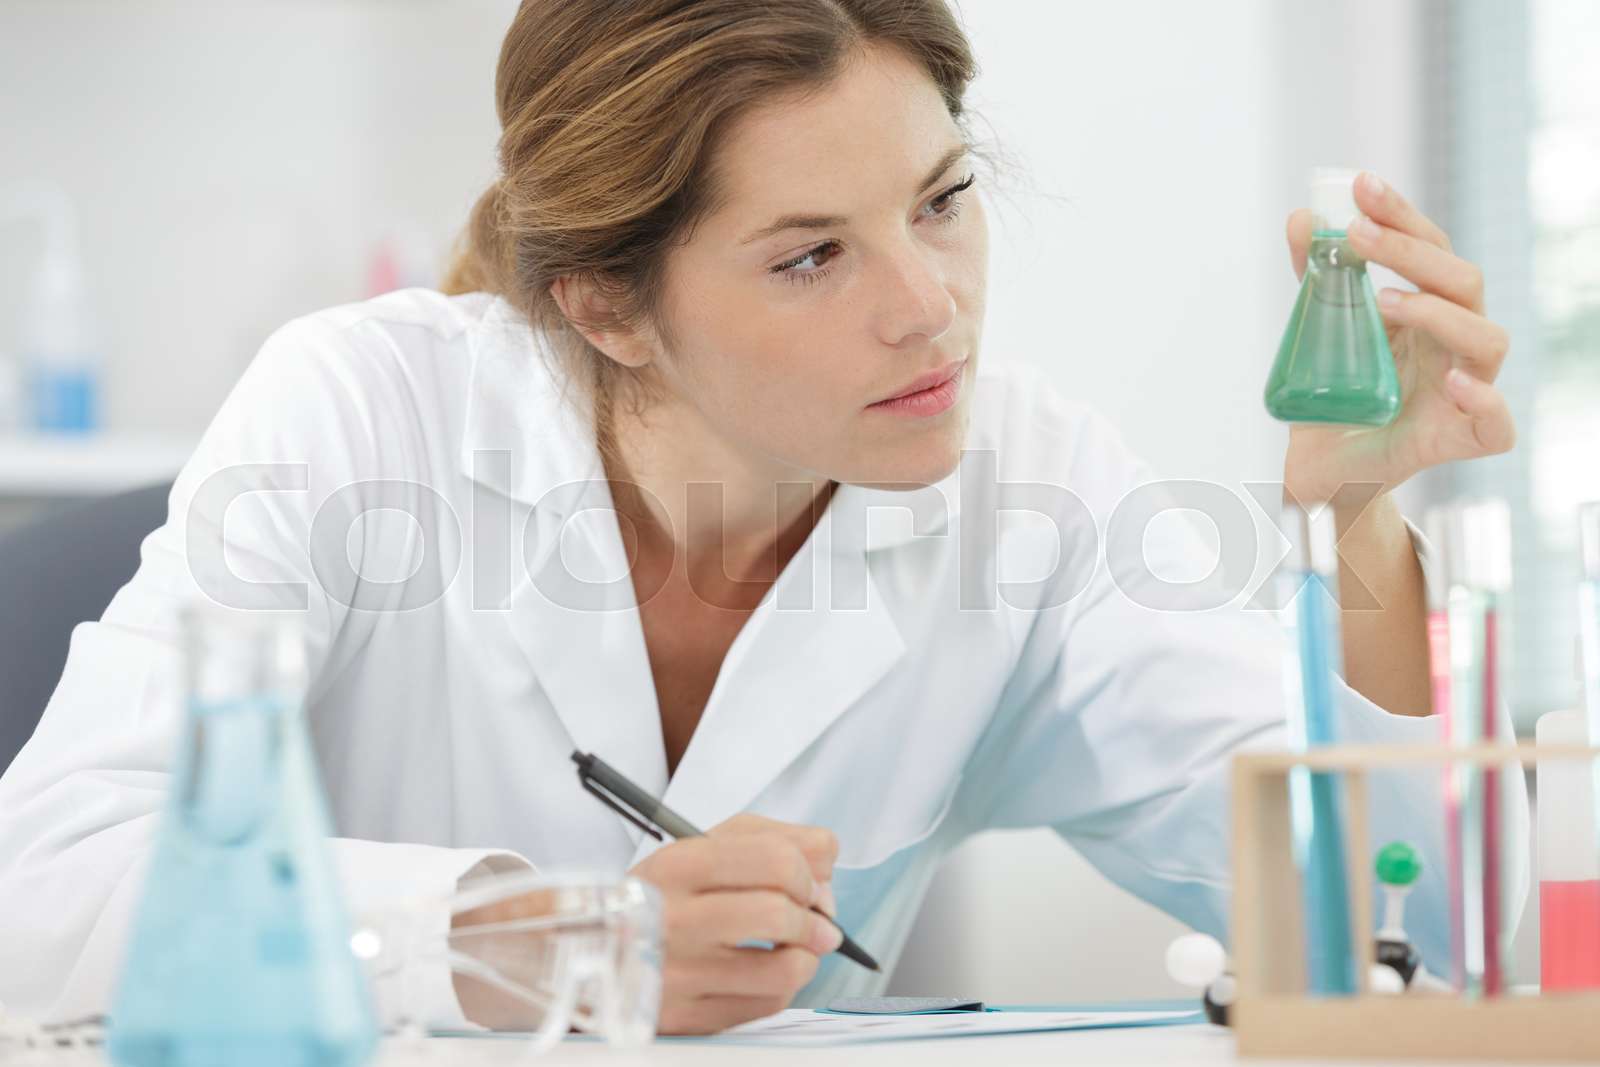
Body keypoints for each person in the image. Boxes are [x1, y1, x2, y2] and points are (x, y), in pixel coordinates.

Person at [0, 0, 1527, 1037]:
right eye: (811, 257)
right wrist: (542, 944)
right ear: (609, 305)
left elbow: (1428, 946)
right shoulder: (358, 410)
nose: (933, 311)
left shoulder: (1030, 485)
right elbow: (46, 889)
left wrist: (1365, 526)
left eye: (940, 199)